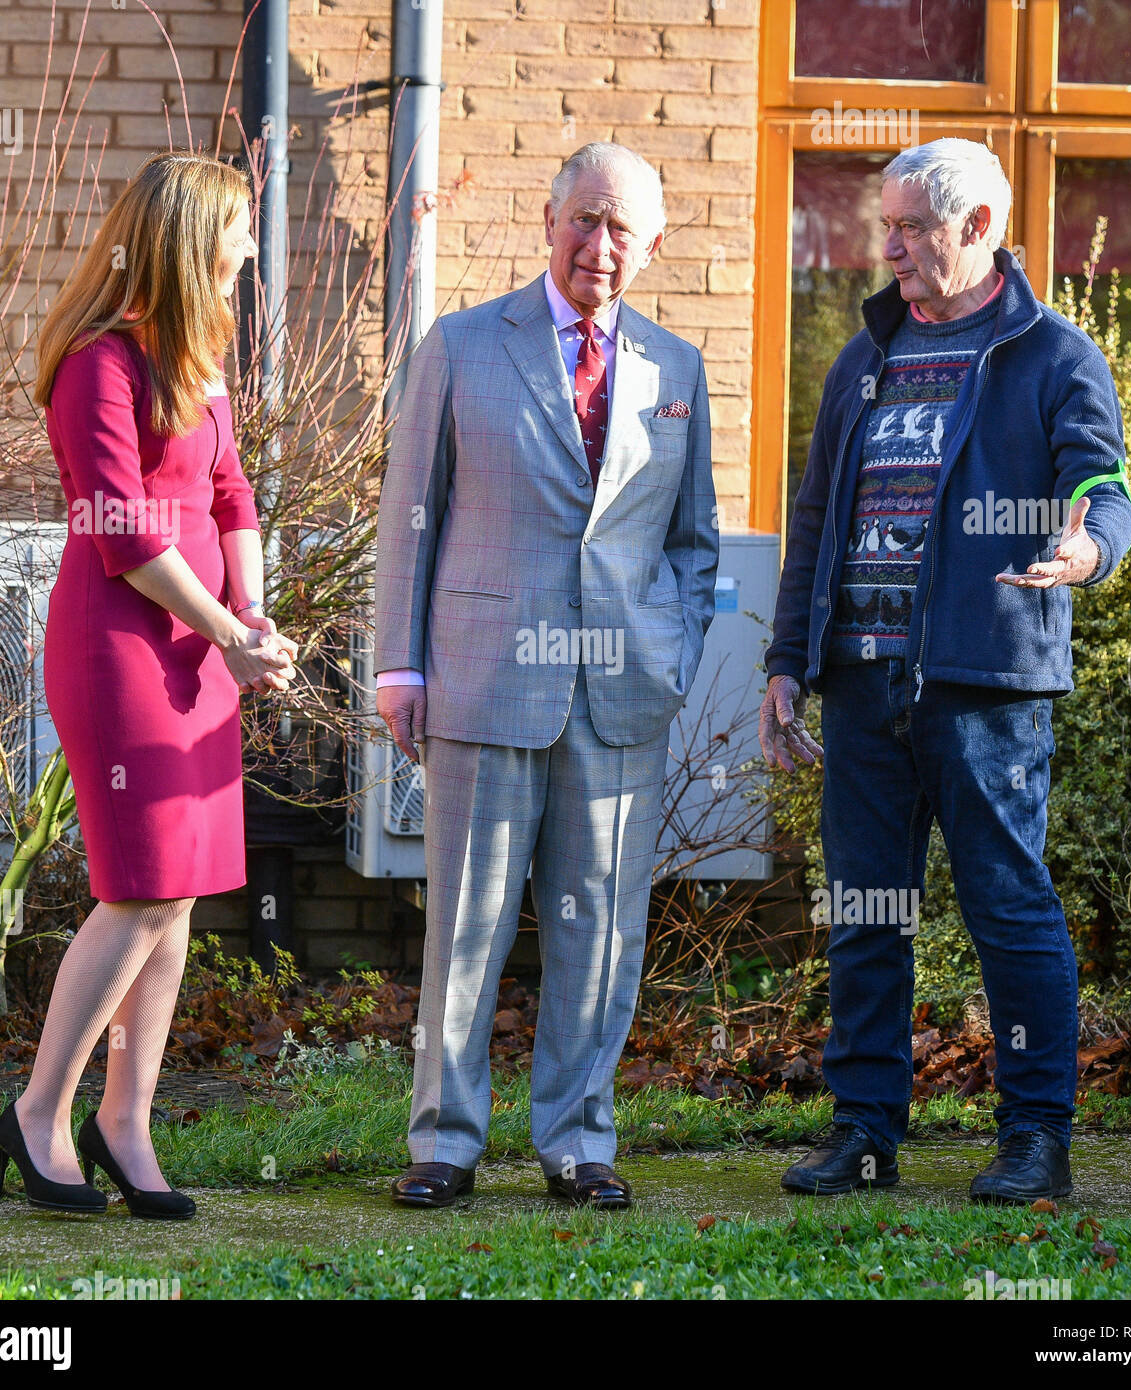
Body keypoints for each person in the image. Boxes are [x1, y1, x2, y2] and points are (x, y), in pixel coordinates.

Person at [760, 138, 1131, 1204]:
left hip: (984, 686)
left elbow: (1102, 484)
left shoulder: (1055, 356)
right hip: (861, 681)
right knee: (868, 911)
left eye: (912, 227)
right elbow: (816, 521)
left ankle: (1034, 1140)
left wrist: (1082, 548)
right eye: (885, 226)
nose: (890, 247)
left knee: (1007, 910)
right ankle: (865, 1131)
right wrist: (788, 660)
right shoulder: (862, 358)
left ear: (978, 227)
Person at [375, 142, 718, 1210]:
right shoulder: (464, 346)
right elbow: (408, 517)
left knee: (600, 928)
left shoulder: (676, 370)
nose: (600, 246)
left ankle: (576, 1140)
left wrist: (670, 644)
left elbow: (693, 540)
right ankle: (444, 1141)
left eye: (624, 230)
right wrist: (398, 664)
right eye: (585, 220)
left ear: (653, 246)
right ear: (546, 218)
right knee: (465, 923)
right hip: (482, 677)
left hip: (619, 693)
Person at [0, 151, 298, 1218]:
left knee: (176, 898)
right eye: (239, 228)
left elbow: (231, 495)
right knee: (136, 891)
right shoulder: (100, 364)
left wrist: (250, 620)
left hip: (200, 656)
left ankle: (125, 1121)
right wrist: (225, 629)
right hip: (123, 653)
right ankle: (38, 1112)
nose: (251, 249)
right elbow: (123, 534)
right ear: (188, 238)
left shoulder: (196, 361)